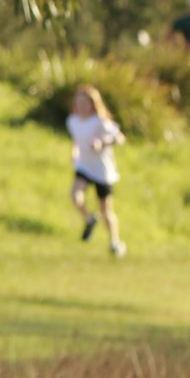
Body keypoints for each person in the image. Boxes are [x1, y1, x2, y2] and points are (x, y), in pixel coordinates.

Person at [66, 85, 126, 257]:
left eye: (85, 103)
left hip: (102, 170)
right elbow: (77, 141)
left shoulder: (100, 122)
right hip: (84, 166)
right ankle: (89, 219)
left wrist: (102, 143)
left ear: (93, 104)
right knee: (76, 196)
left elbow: (119, 138)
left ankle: (114, 242)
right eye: (79, 102)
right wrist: (74, 153)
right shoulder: (72, 121)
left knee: (106, 210)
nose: (82, 106)